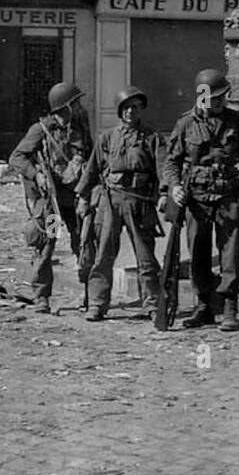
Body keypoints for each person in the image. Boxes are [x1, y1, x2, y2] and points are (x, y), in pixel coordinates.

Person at [159, 68, 239, 333]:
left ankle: (229, 308)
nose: (221, 102)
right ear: (202, 98)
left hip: (228, 195)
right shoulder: (185, 124)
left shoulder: (235, 120)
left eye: (223, 98)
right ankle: (204, 307)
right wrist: (173, 188)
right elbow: (171, 162)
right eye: (216, 98)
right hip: (196, 198)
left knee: (229, 253)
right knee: (198, 252)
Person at [75, 87, 163, 323]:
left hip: (140, 202)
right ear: (119, 111)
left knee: (146, 258)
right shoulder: (107, 138)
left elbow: (163, 170)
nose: (130, 112)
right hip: (110, 201)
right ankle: (97, 303)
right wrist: (84, 198)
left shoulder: (152, 138)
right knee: (103, 255)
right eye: (125, 108)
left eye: (134, 107)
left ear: (141, 109)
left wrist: (165, 195)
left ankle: (153, 304)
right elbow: (92, 170)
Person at [9, 82, 92, 314]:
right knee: (47, 246)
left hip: (74, 199)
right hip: (53, 202)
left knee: (83, 244)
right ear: (65, 106)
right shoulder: (41, 130)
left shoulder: (81, 128)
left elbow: (91, 157)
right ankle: (42, 297)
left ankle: (90, 296)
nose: (79, 106)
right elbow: (17, 157)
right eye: (76, 103)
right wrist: (37, 175)